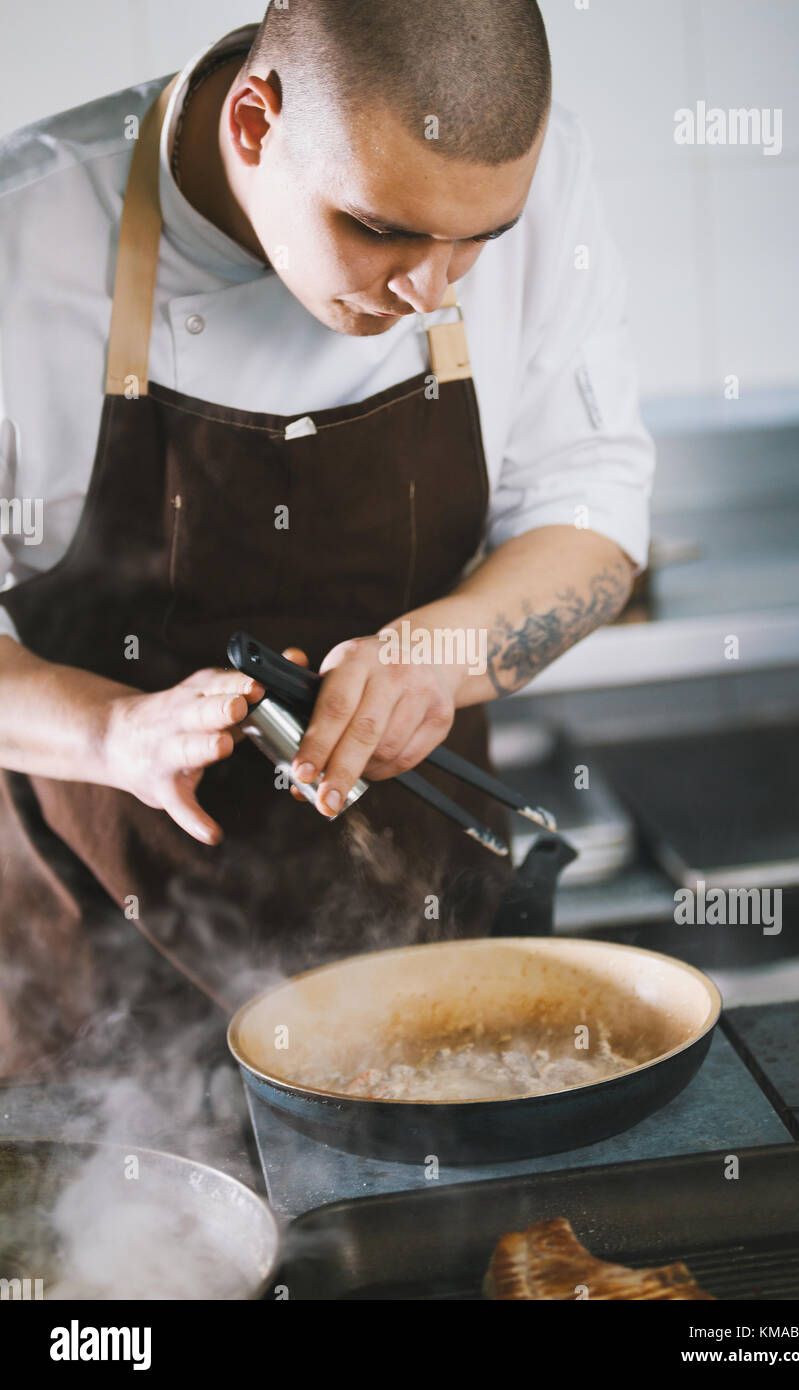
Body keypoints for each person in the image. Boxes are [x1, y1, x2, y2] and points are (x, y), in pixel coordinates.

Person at [0, 0, 655, 1076]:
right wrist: (112, 733)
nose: (425, 290)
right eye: (382, 229)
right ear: (254, 124)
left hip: (422, 962)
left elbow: (590, 507)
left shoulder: (519, 175)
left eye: (476, 244)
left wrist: (432, 655)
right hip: (94, 978)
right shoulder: (22, 238)